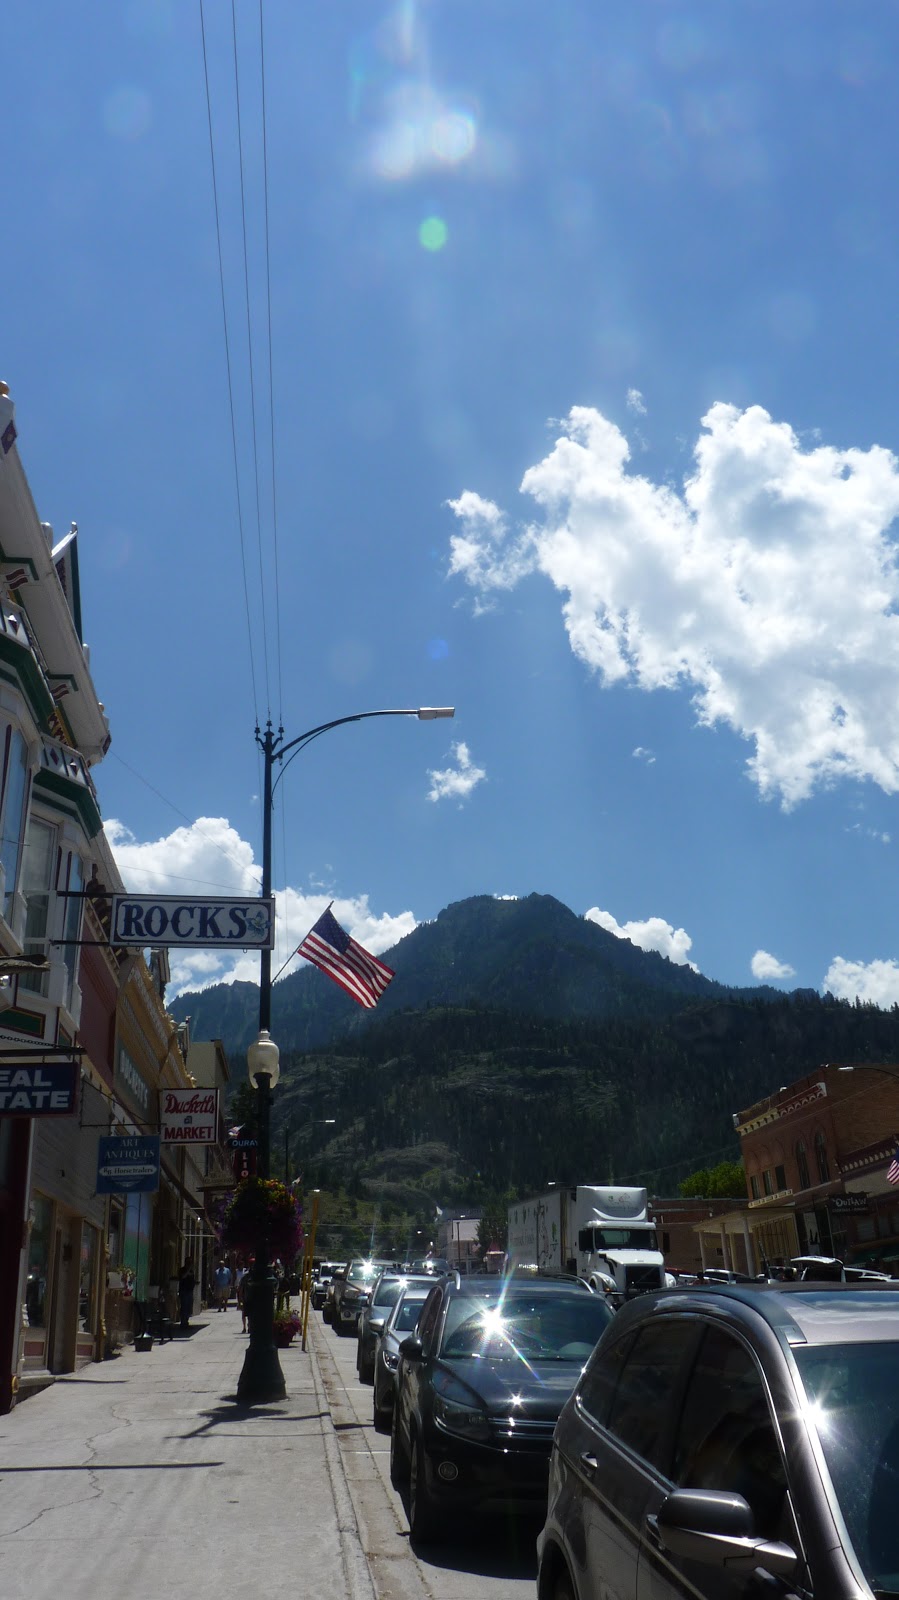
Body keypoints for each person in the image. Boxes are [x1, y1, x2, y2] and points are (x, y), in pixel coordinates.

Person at [178, 1261, 196, 1329]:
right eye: (189, 1263)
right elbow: (183, 1277)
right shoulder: (182, 1270)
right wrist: (188, 1271)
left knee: (189, 1307)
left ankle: (186, 1321)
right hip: (184, 1291)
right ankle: (183, 1323)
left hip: (190, 1291)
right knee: (184, 1307)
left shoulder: (191, 1271)